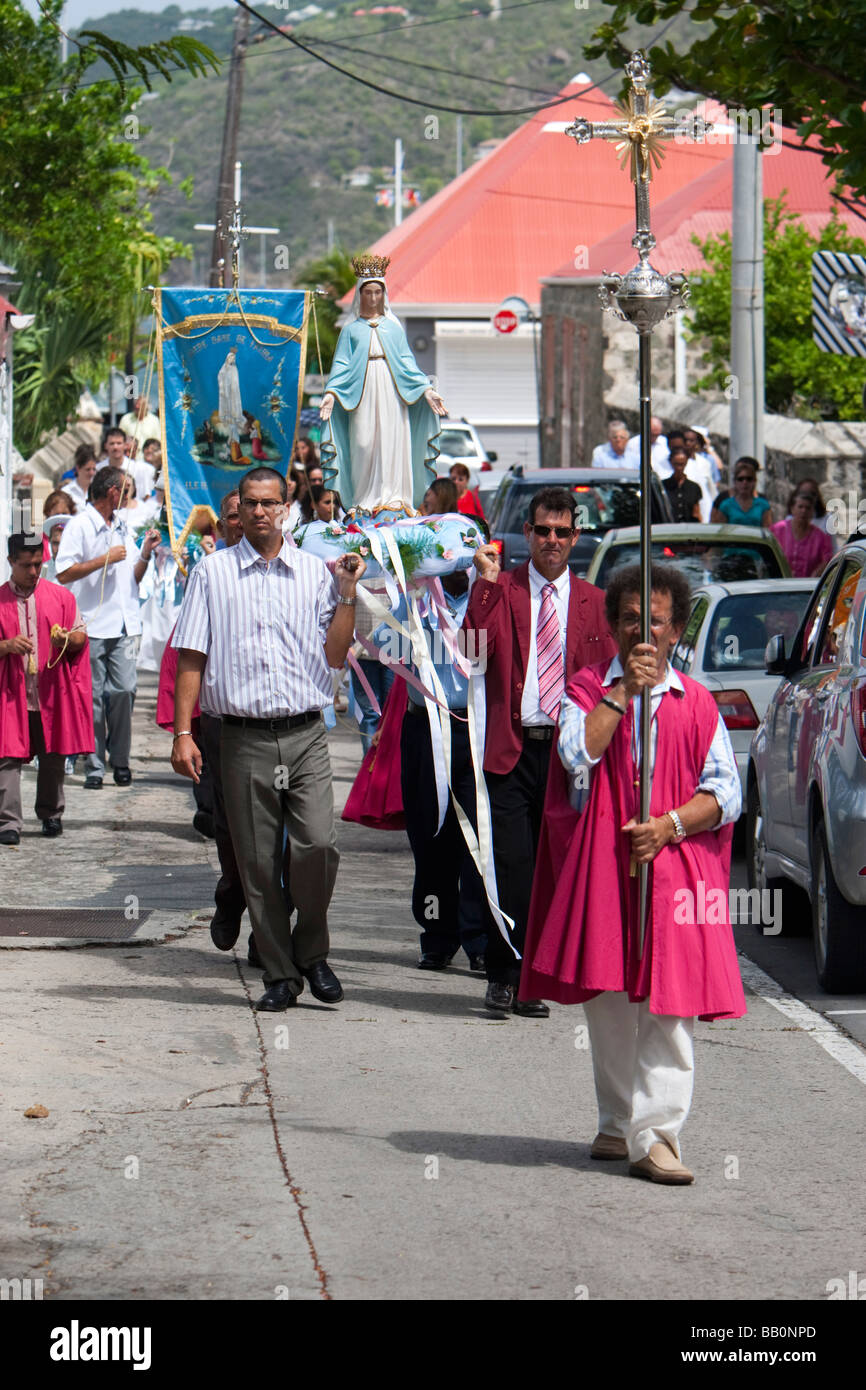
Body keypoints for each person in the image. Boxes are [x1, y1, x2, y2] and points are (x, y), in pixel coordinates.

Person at [520, 563, 744, 1184]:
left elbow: (726, 793)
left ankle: (659, 1134)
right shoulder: (587, 688)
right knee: (610, 998)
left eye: (656, 622)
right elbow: (575, 753)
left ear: (675, 631)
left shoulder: (697, 702)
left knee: (671, 1004)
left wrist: (670, 825)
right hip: (603, 863)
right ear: (613, 627)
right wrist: (621, 696)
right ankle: (618, 1121)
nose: (642, 632)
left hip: (674, 864)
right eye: (629, 621)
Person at [171, 465, 365, 1012]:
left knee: (318, 846)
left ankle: (312, 949)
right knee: (257, 862)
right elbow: (192, 654)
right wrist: (184, 733)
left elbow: (334, 655)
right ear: (240, 508)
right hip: (240, 738)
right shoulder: (211, 574)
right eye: (250, 503)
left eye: (269, 502)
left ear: (286, 507)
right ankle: (281, 973)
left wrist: (347, 593)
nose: (260, 512)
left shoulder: (316, 572)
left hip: (304, 733)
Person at [466, 485, 617, 1016]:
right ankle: (505, 973)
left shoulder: (596, 604)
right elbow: (471, 655)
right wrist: (483, 585)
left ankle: (538, 975)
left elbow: (609, 684)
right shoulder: (500, 587)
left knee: (556, 867)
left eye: (562, 532)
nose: (552, 540)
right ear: (526, 533)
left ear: (576, 537)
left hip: (568, 757)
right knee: (510, 863)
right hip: (510, 748)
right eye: (542, 531)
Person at [376, 569, 487, 972]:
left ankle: (480, 937)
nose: (454, 563)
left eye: (464, 552)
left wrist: (485, 592)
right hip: (426, 725)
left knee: (480, 838)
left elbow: (496, 657)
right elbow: (384, 646)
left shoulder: (490, 598)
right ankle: (437, 934)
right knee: (430, 834)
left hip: (478, 726)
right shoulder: (420, 598)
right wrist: (410, 598)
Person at [55, 467, 160, 789]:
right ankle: (96, 765)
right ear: (112, 491)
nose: (127, 496)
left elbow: (134, 576)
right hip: (92, 624)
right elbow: (64, 572)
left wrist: (144, 553)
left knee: (125, 691)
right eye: (125, 490)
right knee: (94, 698)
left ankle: (121, 757)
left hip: (125, 624)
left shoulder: (122, 525)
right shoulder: (80, 525)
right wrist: (104, 558)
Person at [319, 254, 446, 512]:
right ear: (360, 295)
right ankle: (363, 501)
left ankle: (394, 498)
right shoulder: (351, 330)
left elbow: (407, 363)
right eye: (368, 293)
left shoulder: (393, 328)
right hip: (361, 394)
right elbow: (341, 365)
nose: (374, 298)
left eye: (378, 292)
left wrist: (426, 389)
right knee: (363, 442)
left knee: (391, 440)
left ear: (384, 294)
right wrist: (331, 393)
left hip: (391, 391)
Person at [0, 533, 92, 844]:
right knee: (6, 757)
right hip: (11, 694)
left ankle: (51, 814)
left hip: (50, 693)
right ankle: (8, 823)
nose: (33, 571)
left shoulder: (61, 597)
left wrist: (65, 639)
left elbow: (80, 638)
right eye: (26, 565)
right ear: (11, 561)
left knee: (52, 756)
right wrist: (6, 645)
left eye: (38, 564)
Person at [772, 490, 834, 578]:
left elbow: (828, 559)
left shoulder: (820, 537)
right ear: (792, 509)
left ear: (812, 511)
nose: (803, 511)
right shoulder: (778, 530)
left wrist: (816, 574)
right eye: (800, 507)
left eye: (808, 508)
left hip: (807, 587)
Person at [711, 457, 772, 528]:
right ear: (735, 482)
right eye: (740, 479)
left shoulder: (763, 505)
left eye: (749, 479)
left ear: (754, 481)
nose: (745, 482)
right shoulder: (726, 505)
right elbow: (719, 531)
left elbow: (768, 530)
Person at [682, 428, 718, 521]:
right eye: (685, 440)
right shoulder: (678, 463)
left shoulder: (704, 462)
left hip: (705, 506)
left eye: (691, 441)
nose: (688, 443)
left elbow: (711, 488)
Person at [661, 446, 702, 522]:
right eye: (676, 464)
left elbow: (696, 513)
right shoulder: (663, 486)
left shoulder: (694, 487)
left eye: (682, 464)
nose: (679, 468)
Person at [61, 445, 97, 512]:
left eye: (94, 469)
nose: (92, 473)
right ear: (78, 468)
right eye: (88, 469)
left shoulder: (98, 492)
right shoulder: (66, 491)